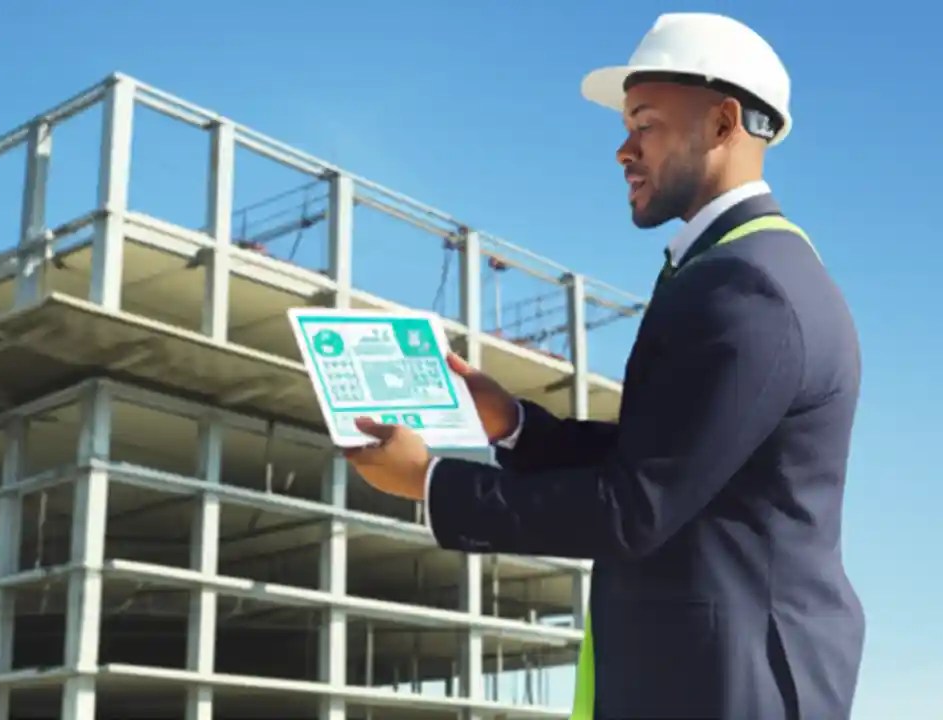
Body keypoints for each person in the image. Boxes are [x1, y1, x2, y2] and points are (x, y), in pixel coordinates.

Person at [343, 12, 864, 720]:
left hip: (726, 692)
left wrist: (431, 482)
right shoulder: (745, 270)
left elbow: (635, 506)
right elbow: (666, 460)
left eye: (644, 122)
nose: (623, 150)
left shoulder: (750, 290)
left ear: (722, 123)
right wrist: (515, 425)